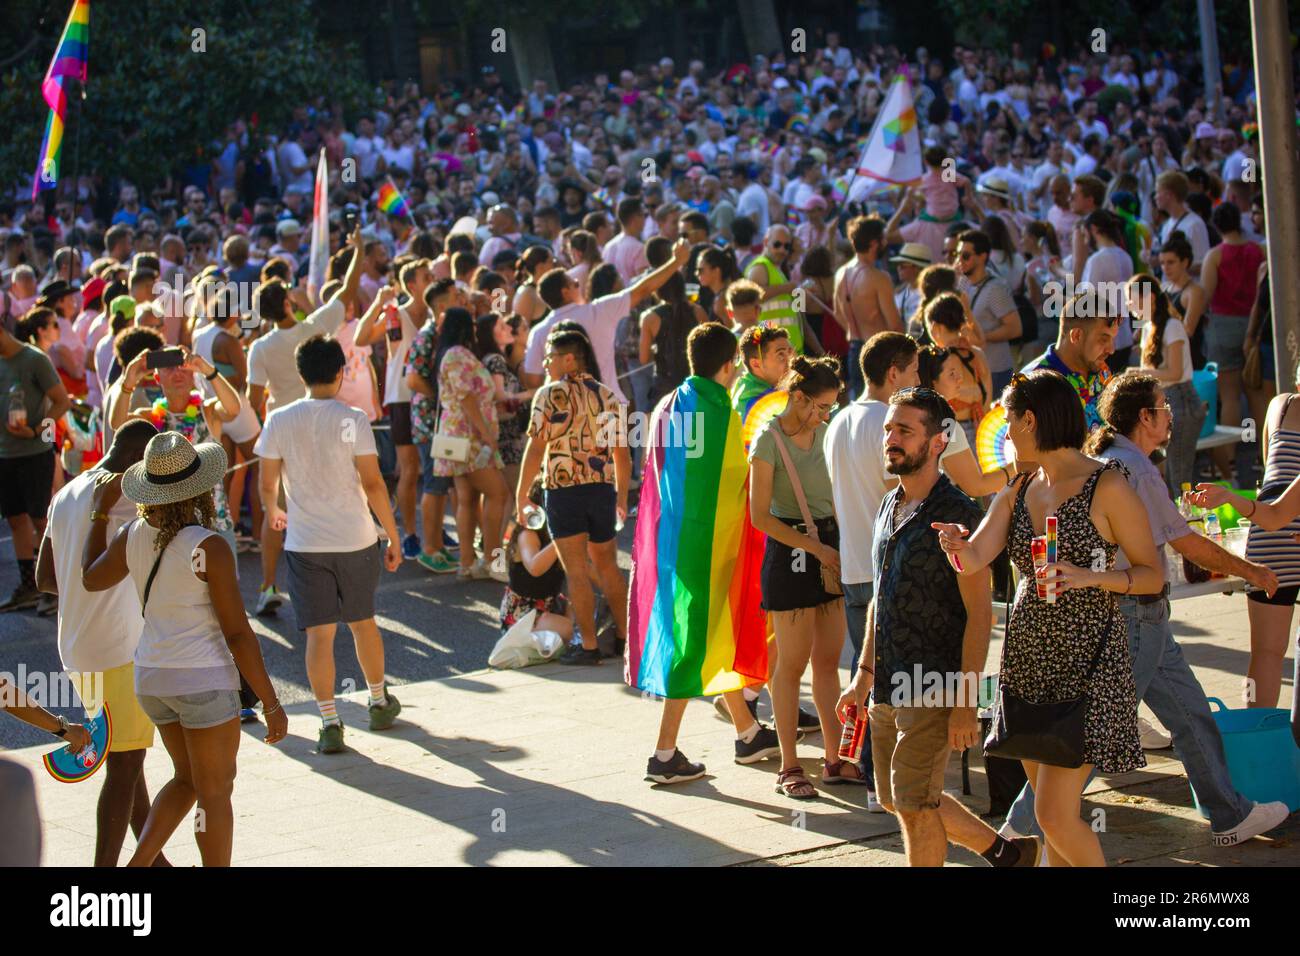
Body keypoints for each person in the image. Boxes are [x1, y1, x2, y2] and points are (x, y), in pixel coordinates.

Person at [993, 371, 1288, 847]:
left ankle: (1229, 813)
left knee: (1190, 715)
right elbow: (1182, 540)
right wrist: (1250, 570)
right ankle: (1022, 830)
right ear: (1144, 417)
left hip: (1141, 614)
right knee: (1083, 744)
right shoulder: (1129, 472)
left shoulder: (1109, 462)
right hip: (1127, 618)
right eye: (1164, 407)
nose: (1172, 415)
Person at [934, 369, 1162, 866]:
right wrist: (954, 545)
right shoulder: (1019, 488)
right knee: (1053, 813)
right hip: (1028, 662)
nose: (1006, 432)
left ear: (1031, 421)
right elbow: (973, 559)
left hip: (1089, 664)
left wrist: (1088, 576)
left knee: (1054, 814)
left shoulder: (1107, 485)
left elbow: (1152, 576)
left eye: (1011, 421)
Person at [836, 386, 1038, 866]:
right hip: (887, 681)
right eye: (889, 428)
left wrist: (966, 701)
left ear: (939, 440)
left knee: (914, 802)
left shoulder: (960, 514)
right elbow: (879, 599)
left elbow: (979, 614)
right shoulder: (891, 504)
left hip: (935, 685)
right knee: (894, 796)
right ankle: (1006, 855)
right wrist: (862, 674)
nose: (891, 438)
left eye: (905, 430)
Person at [81, 433, 286, 866]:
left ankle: (138, 866)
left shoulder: (131, 535)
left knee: (187, 780)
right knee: (214, 792)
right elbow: (237, 634)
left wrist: (99, 514)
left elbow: (90, 579)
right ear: (199, 489)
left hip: (152, 678)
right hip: (203, 679)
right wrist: (270, 701)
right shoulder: (207, 546)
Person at [629, 324, 783, 783]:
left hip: (673, 538)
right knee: (693, 644)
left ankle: (748, 731)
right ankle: (663, 754)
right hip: (710, 546)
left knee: (713, 633)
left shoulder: (669, 402)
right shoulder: (720, 410)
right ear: (729, 364)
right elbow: (739, 484)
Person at [255, 335, 404, 753]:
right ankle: (378, 700)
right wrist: (392, 535)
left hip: (305, 541)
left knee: (318, 636)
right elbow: (373, 484)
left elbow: (267, 485)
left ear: (300, 373)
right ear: (341, 373)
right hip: (355, 537)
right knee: (363, 623)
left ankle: (330, 721)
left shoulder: (278, 419)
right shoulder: (353, 418)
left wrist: (273, 511)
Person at [35, 420, 169, 866]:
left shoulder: (67, 492)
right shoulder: (128, 498)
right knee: (125, 767)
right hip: (118, 647)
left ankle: (157, 864)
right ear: (136, 460)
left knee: (126, 759)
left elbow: (45, 579)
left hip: (76, 646)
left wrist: (84, 592)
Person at [749, 355, 855, 798]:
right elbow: (759, 517)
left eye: (831, 407)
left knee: (829, 662)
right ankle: (789, 765)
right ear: (796, 396)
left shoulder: (828, 433)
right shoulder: (768, 440)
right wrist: (816, 549)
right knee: (791, 666)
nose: (825, 415)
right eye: (819, 406)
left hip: (832, 543)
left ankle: (836, 759)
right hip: (792, 550)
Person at [247, 225, 364, 615]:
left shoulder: (259, 347)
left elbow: (252, 398)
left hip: (282, 431)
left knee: (275, 513)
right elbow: (346, 291)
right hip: (324, 426)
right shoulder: (312, 328)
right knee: (328, 502)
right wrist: (357, 250)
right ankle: (333, 585)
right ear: (286, 303)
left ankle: (267, 586)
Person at [516, 327, 630, 665]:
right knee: (609, 569)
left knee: (577, 571)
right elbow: (622, 454)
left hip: (564, 490)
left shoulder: (549, 395)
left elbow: (536, 449)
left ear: (568, 358)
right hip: (601, 489)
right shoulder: (608, 396)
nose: (547, 363)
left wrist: (522, 494)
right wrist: (621, 498)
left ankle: (591, 646)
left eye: (550, 356)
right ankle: (626, 640)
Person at [522, 237, 691, 397]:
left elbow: (533, 380)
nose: (579, 285)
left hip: (569, 416)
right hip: (608, 407)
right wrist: (676, 262)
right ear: (565, 292)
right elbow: (642, 290)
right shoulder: (599, 310)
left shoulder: (538, 332)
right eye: (574, 284)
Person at [352, 257, 433, 560]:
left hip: (436, 397)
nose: (432, 280)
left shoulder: (438, 312)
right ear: (412, 285)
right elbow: (361, 338)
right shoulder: (396, 314)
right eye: (427, 276)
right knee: (410, 469)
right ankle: (410, 534)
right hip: (402, 397)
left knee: (441, 469)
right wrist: (378, 303)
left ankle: (436, 531)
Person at [432, 307, 510, 579]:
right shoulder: (457, 355)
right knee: (498, 493)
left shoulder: (451, 354)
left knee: (466, 498)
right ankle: (492, 560)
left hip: (458, 436)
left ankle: (468, 563)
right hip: (469, 437)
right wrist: (487, 433)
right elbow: (466, 397)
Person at [0, 313, 71, 611]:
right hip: (5, 454)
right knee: (16, 519)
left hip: (35, 452)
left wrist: (38, 428)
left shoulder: (34, 359)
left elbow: (62, 401)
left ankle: (52, 586)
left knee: (41, 520)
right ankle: (29, 584)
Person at [1201, 202, 1266, 482]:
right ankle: (1267, 459)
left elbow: (1206, 294)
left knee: (1229, 397)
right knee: (1258, 397)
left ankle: (1229, 460)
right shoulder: (1258, 251)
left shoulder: (1215, 256)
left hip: (1224, 325)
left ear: (1216, 226)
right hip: (1254, 323)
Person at [1129, 273, 1203, 493]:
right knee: (1169, 474)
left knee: (1179, 475)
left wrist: (1138, 372)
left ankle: (1188, 523)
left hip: (1182, 401)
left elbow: (1175, 371)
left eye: (1132, 299)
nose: (1129, 305)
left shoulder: (1172, 326)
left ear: (1150, 297)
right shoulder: (1148, 327)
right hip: (1163, 402)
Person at [1021, 292, 1118, 432]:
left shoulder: (1102, 370)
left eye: (1113, 339)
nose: (1112, 349)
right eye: (1104, 338)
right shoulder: (1033, 382)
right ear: (1076, 336)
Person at [832, 216, 903, 399]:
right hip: (880, 353)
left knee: (860, 407)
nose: (886, 243)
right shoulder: (879, 278)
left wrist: (851, 332)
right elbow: (894, 324)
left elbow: (838, 312)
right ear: (874, 243)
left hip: (854, 349)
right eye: (883, 239)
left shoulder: (841, 273)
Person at [499, 479, 571, 640]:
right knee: (571, 629)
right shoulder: (528, 534)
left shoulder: (554, 535)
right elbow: (534, 568)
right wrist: (562, 538)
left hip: (549, 608)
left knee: (585, 613)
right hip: (522, 618)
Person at [639, 236, 707, 407]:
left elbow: (643, 358)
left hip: (664, 389)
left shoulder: (650, 318)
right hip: (694, 387)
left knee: (662, 433)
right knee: (695, 433)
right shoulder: (698, 312)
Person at [956, 229, 1021, 395]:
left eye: (965, 256)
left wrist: (980, 337)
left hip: (995, 370)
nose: (959, 260)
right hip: (973, 369)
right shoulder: (963, 282)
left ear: (982, 256)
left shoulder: (995, 288)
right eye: (958, 255)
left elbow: (1015, 329)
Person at [924, 293, 992, 446]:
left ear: (935, 327)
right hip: (981, 426)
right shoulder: (977, 353)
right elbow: (987, 396)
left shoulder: (941, 360)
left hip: (952, 428)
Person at [746, 225, 806, 354]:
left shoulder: (779, 270)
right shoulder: (760, 266)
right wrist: (786, 288)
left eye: (787, 246)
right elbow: (752, 297)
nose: (782, 250)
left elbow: (799, 316)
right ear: (766, 242)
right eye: (777, 244)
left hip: (791, 351)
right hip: (774, 353)